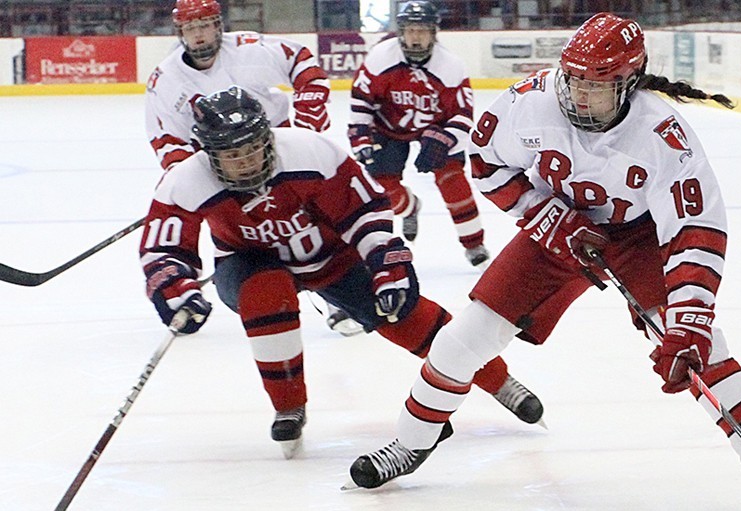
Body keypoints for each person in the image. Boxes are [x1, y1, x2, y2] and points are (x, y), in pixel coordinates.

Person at [347, 13, 741, 511]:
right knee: (464, 339)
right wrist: (546, 215)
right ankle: (412, 441)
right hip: (557, 227)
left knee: (698, 345)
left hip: (639, 238)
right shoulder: (529, 103)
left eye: (595, 86)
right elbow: (485, 163)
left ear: (628, 83)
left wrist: (689, 321)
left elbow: (696, 233)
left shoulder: (664, 136)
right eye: (573, 80)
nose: (578, 95)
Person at [138, 86, 544, 459]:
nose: (244, 162)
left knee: (402, 313)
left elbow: (365, 211)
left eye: (251, 148)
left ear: (268, 138)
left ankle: (501, 383)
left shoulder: (311, 153)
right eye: (231, 154)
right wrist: (175, 287)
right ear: (209, 154)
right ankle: (288, 407)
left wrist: (386, 264)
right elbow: (163, 248)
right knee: (266, 292)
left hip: (333, 256)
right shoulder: (186, 180)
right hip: (248, 262)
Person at [143, 0, 360, 336]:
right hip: (225, 171)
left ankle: (336, 297)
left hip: (280, 156)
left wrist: (309, 110)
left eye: (205, 25)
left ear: (218, 25)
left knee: (312, 225)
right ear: (180, 32)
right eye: (190, 28)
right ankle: (185, 296)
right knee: (242, 239)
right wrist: (192, 180)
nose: (198, 35)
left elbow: (301, 61)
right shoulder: (166, 80)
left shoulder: (249, 49)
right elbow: (166, 139)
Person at [348, 0, 491, 268]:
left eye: (422, 30)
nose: (415, 37)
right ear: (401, 32)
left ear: (433, 33)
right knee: (381, 190)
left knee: (452, 180)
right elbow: (361, 100)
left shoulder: (450, 66)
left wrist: (446, 139)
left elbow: (463, 115)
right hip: (387, 128)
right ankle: (410, 207)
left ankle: (474, 244)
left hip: (436, 129)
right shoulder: (380, 57)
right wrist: (361, 136)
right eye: (410, 30)